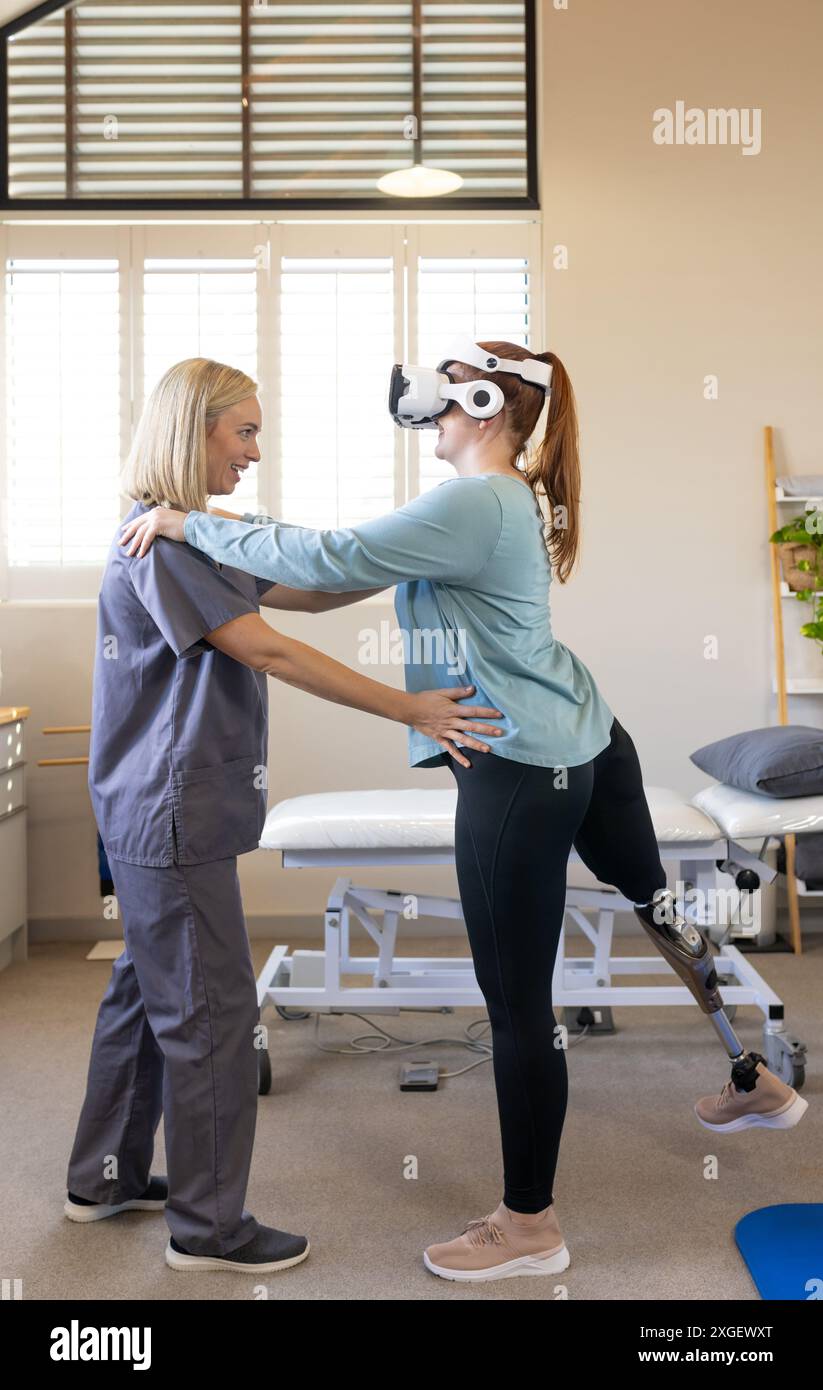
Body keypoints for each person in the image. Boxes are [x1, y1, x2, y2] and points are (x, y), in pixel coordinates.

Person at [121, 342, 804, 1283]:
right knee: (659, 906)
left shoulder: (471, 500)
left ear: (483, 407)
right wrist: (220, 535)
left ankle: (530, 1225)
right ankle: (751, 1076)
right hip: (591, 736)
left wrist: (188, 521)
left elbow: (331, 555)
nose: (430, 420)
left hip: (517, 761)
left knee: (518, 1005)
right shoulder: (498, 500)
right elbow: (326, 580)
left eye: (442, 406)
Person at [66, 357, 506, 1276]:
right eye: (244, 433)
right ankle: (210, 1231)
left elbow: (308, 583)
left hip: (156, 805)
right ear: (196, 433)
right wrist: (412, 707)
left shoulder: (200, 533)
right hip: (169, 808)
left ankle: (102, 1177)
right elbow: (271, 649)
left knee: (146, 997)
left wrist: (403, 549)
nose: (254, 454)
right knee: (213, 1015)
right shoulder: (169, 542)